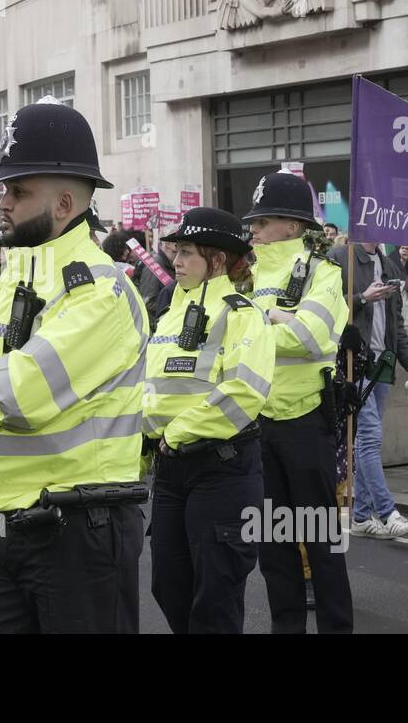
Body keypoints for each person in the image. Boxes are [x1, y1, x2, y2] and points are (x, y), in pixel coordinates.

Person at [0, 97, 149, 634]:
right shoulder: (8, 281)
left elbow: (18, 397)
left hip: (77, 530)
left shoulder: (99, 291)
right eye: (4, 189)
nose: (3, 202)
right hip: (4, 525)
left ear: (65, 203)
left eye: (19, 191)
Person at [145, 208, 272, 633]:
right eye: (175, 251)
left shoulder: (242, 313)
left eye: (186, 252)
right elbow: (152, 387)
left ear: (216, 259)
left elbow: (244, 393)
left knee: (215, 598)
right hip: (169, 470)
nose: (175, 260)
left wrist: (177, 432)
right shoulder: (168, 311)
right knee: (168, 584)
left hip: (222, 469)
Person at [244, 170, 353, 634]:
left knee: (320, 540)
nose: (252, 229)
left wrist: (259, 319)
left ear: (292, 226)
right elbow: (227, 341)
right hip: (256, 423)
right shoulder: (244, 275)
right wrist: (276, 319)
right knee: (272, 545)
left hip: (306, 420)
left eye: (262, 221)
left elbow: (309, 337)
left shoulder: (325, 274)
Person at [330, 239, 408, 539]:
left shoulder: (389, 264)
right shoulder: (340, 257)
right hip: (354, 362)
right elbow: (324, 307)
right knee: (369, 438)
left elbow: (396, 322)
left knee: (367, 441)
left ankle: (360, 516)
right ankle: (387, 512)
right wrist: (361, 298)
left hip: (381, 364)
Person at [138, 240, 177, 331]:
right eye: (177, 244)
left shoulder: (169, 264)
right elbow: (148, 301)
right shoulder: (154, 265)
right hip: (154, 326)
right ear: (168, 244)